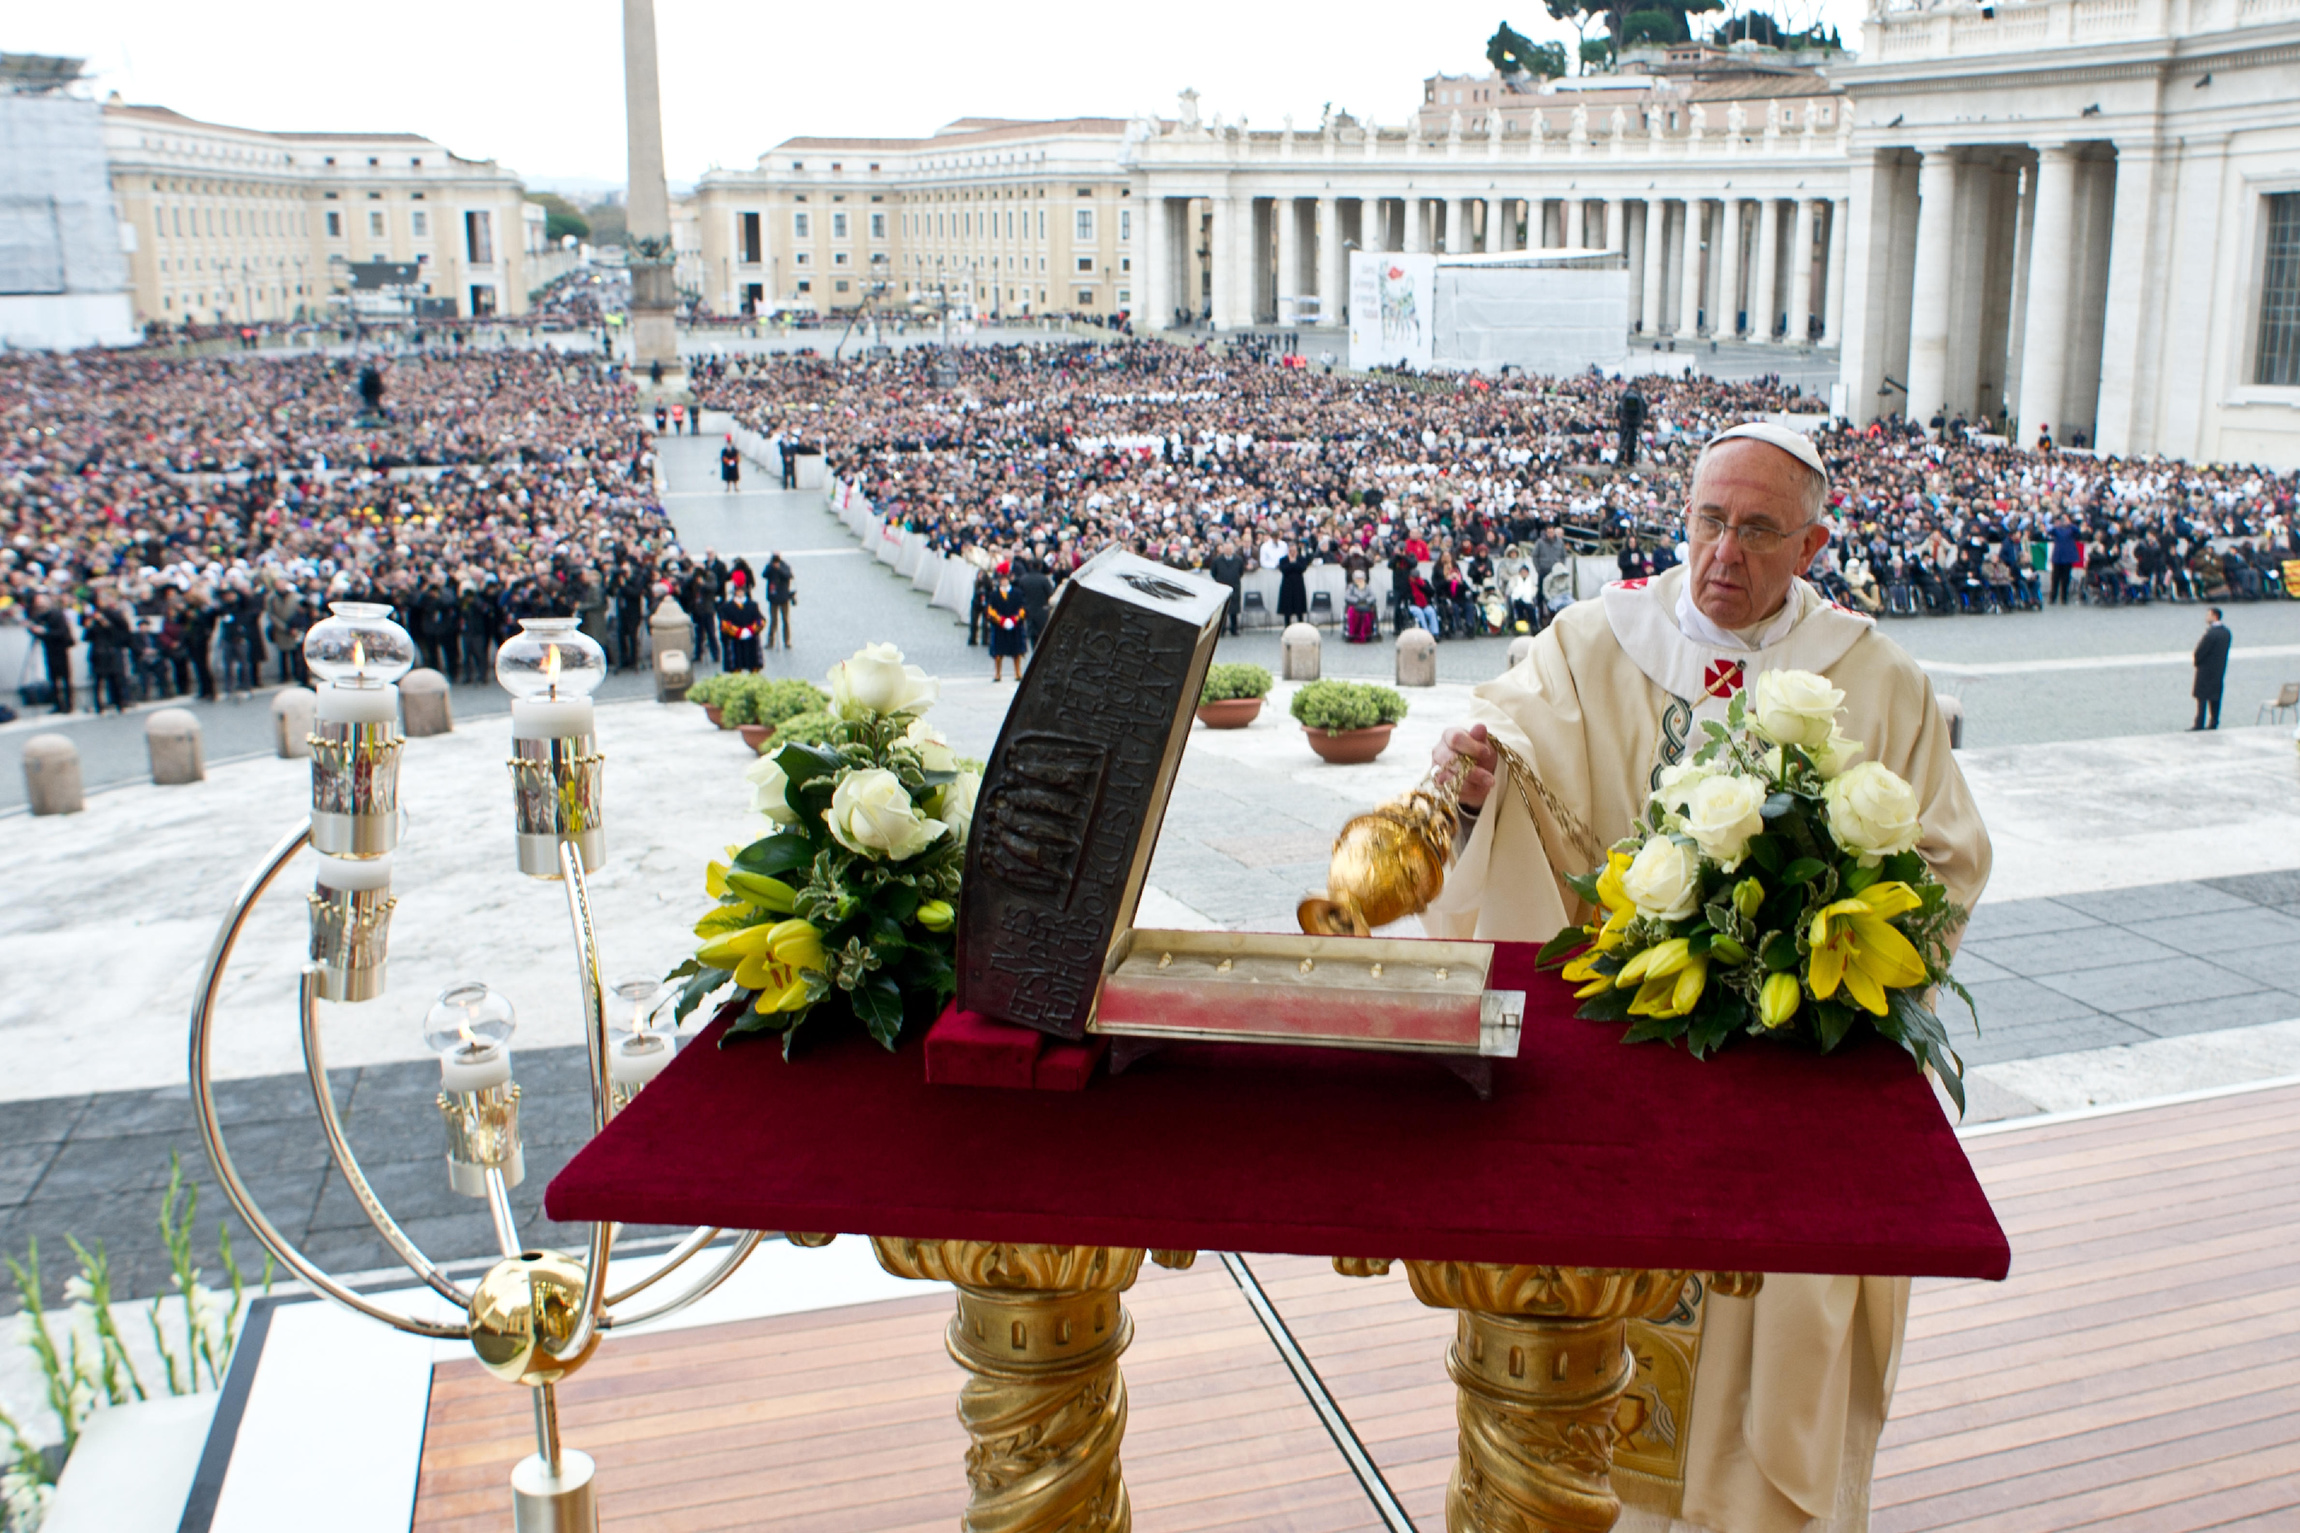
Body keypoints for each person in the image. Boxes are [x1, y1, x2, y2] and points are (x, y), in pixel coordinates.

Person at [1426, 422, 1989, 1533]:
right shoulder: (1594, 643)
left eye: (1758, 530)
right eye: (1706, 521)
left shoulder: (1870, 678)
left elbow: (1942, 862)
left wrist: (1820, 947)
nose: (1722, 553)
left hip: (1782, 1095)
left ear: (1812, 544)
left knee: (1759, 1385)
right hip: (1612, 1082)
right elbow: (1507, 762)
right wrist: (1476, 788)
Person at [33, 595, 74, 714]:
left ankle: (69, 704)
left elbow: (61, 632)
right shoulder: (41, 617)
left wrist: (45, 632)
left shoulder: (57, 615)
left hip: (60, 650)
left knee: (65, 678)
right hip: (49, 650)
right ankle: (58, 704)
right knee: (53, 679)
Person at [718, 565, 764, 672]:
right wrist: (738, 632)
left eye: (742, 591)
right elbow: (724, 624)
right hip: (735, 642)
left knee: (753, 666)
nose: (740, 592)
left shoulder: (753, 605)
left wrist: (750, 630)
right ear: (735, 592)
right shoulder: (726, 607)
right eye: (738, 591)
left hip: (750, 640)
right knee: (736, 666)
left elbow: (760, 621)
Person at [984, 571, 1028, 681]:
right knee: (998, 653)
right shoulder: (994, 595)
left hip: (1015, 626)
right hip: (999, 627)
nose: (1004, 581)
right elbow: (990, 610)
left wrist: (1014, 619)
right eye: (1002, 580)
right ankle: (997, 673)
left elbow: (1022, 608)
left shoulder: (1017, 593)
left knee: (1016, 652)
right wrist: (1001, 620)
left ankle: (1017, 672)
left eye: (1005, 579)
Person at [2192, 606, 2230, 730]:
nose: (2206, 617)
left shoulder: (2210, 634)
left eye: (2208, 615)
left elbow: (2200, 652)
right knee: (2215, 697)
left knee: (2202, 697)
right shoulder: (2226, 633)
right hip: (2219, 669)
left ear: (2215, 616)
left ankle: (2199, 723)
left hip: (2205, 669)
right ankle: (2214, 722)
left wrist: (2197, 662)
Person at [1209, 540, 1247, 636]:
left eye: (1230, 549)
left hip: (1235, 586)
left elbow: (1241, 572)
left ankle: (1234, 629)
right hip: (1221, 588)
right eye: (1226, 549)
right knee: (1222, 611)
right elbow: (1213, 573)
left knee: (1234, 610)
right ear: (1223, 550)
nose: (1228, 551)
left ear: (1233, 550)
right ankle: (1222, 630)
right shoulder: (1217, 560)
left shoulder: (1238, 560)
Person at [763, 554, 795, 651]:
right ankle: (770, 641)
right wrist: (770, 567)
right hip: (773, 598)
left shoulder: (785, 566)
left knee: (785, 619)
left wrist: (779, 569)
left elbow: (788, 576)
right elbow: (764, 574)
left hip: (784, 597)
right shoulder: (769, 567)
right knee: (773, 620)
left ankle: (787, 641)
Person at [1344, 569, 1378, 643]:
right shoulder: (1351, 587)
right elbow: (1347, 597)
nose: (1359, 580)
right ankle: (1353, 634)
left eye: (1361, 578)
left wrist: (1366, 600)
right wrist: (1357, 600)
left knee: (1367, 615)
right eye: (1357, 578)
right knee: (1353, 613)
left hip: (1366, 605)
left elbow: (1373, 596)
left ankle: (1366, 634)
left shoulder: (1367, 587)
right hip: (1355, 605)